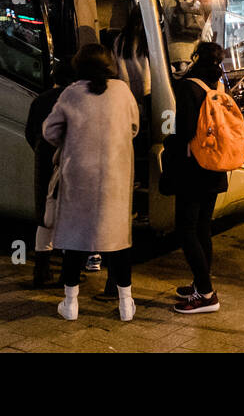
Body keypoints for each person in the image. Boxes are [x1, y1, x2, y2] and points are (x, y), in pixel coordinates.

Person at [41, 43, 140, 321]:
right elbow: (134, 127)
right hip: (116, 179)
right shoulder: (123, 92)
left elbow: (50, 131)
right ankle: (125, 305)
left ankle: (70, 305)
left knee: (75, 241)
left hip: (79, 179)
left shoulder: (71, 94)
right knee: (119, 243)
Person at [162, 42, 230, 315]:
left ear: (195, 58)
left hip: (193, 170)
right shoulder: (219, 86)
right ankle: (201, 284)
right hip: (215, 165)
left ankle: (206, 294)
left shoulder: (188, 86)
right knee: (203, 228)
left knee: (186, 229)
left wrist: (169, 143)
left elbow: (185, 130)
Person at [25, 77, 66, 288]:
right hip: (66, 160)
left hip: (43, 159)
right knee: (69, 216)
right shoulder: (74, 99)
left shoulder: (40, 100)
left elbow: (30, 133)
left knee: (44, 215)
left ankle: (41, 269)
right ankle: (68, 273)